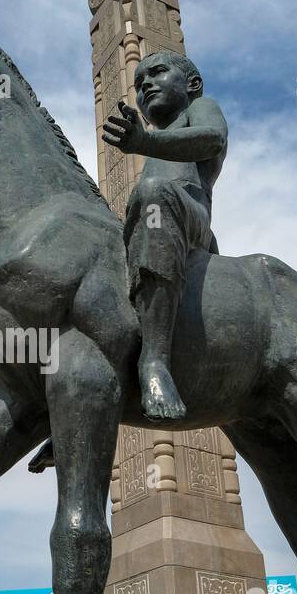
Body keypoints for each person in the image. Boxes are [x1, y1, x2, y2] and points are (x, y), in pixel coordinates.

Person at [104, 50, 227, 420]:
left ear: (192, 84)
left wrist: (144, 143)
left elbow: (212, 140)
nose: (146, 86)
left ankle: (155, 360)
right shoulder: (155, 144)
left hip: (189, 217)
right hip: (152, 224)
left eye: (157, 74)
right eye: (139, 84)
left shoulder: (200, 108)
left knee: (155, 192)